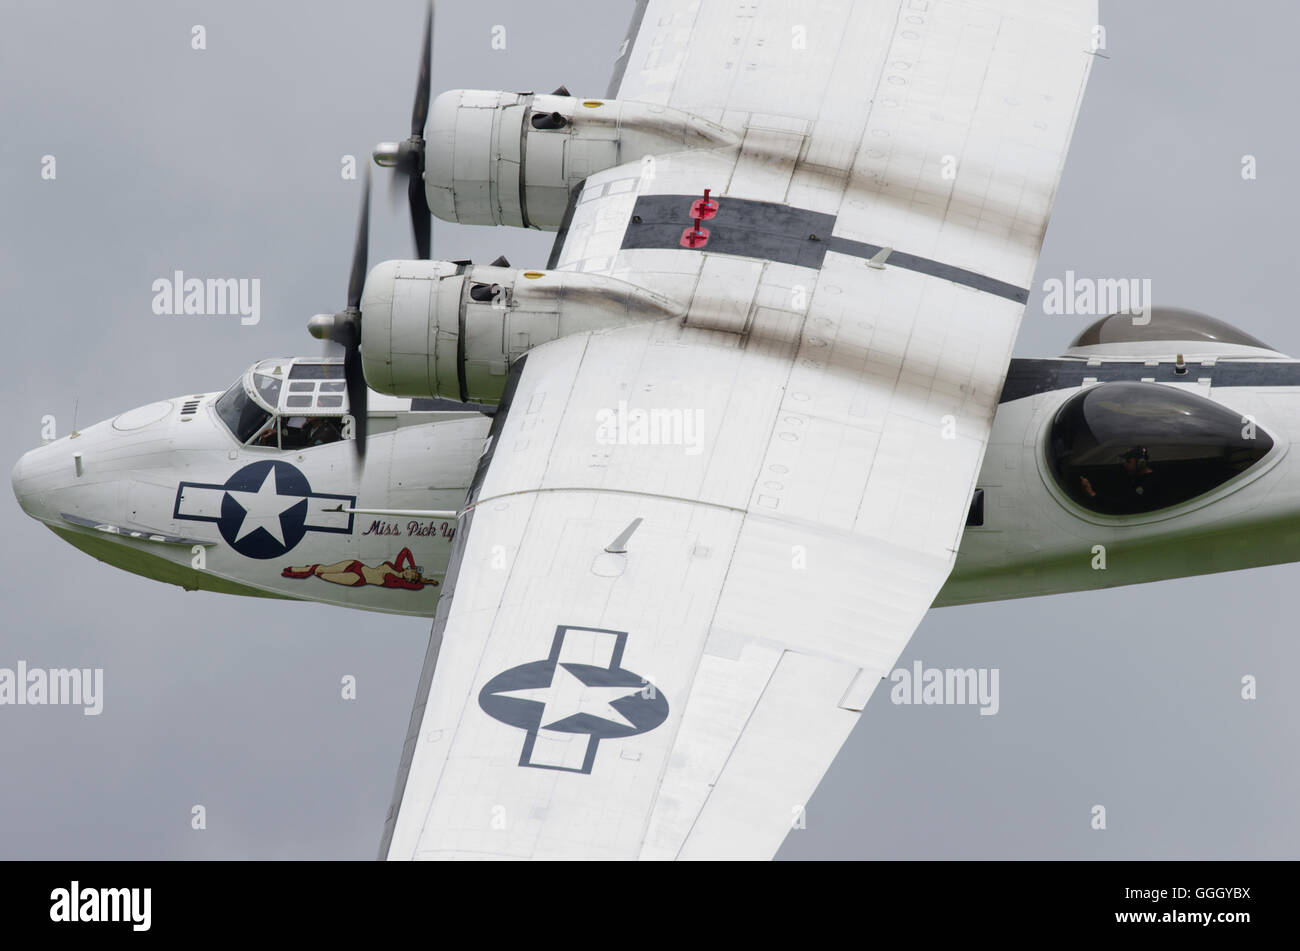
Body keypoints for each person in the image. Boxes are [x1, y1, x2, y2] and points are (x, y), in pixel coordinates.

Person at [281, 547, 437, 590]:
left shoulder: (398, 582)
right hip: (357, 565)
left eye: (410, 575)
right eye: (410, 571)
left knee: (321, 574)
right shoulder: (396, 567)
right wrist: (415, 566)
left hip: (359, 579)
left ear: (408, 579)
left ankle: (292, 572)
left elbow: (417, 586)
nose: (409, 573)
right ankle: (293, 569)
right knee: (323, 567)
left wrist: (425, 580)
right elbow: (405, 551)